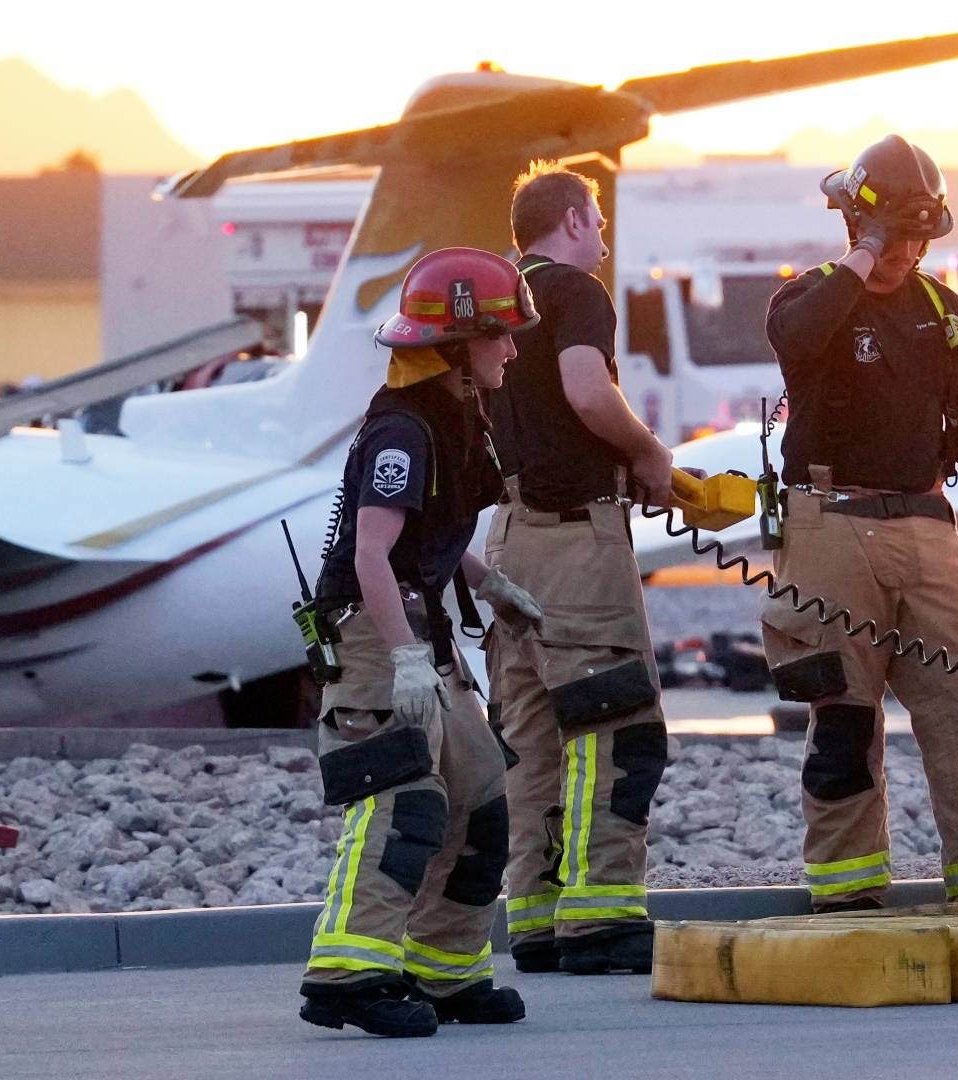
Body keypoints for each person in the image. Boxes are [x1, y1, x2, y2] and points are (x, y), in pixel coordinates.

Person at [762, 134, 958, 913]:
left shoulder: (944, 310)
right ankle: (847, 894)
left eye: (919, 237)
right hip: (830, 526)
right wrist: (864, 254)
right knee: (844, 723)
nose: (908, 251)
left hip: (928, 528)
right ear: (860, 228)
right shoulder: (810, 297)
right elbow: (798, 342)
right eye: (896, 235)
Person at [298, 248, 545, 1038]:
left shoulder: (452, 413)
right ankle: (347, 975)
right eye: (500, 335)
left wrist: (492, 584)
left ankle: (444, 970)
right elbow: (371, 555)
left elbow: (427, 539)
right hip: (378, 637)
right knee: (403, 803)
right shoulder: (403, 428)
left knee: (479, 800)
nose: (511, 348)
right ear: (457, 344)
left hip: (420, 628)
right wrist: (405, 658)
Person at [484, 162, 673, 976]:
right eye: (595, 220)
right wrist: (650, 452)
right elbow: (589, 394)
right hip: (574, 543)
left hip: (507, 540)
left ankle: (533, 917)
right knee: (614, 724)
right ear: (568, 220)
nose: (602, 235)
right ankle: (601, 919)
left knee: (530, 738)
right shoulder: (573, 292)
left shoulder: (492, 299)